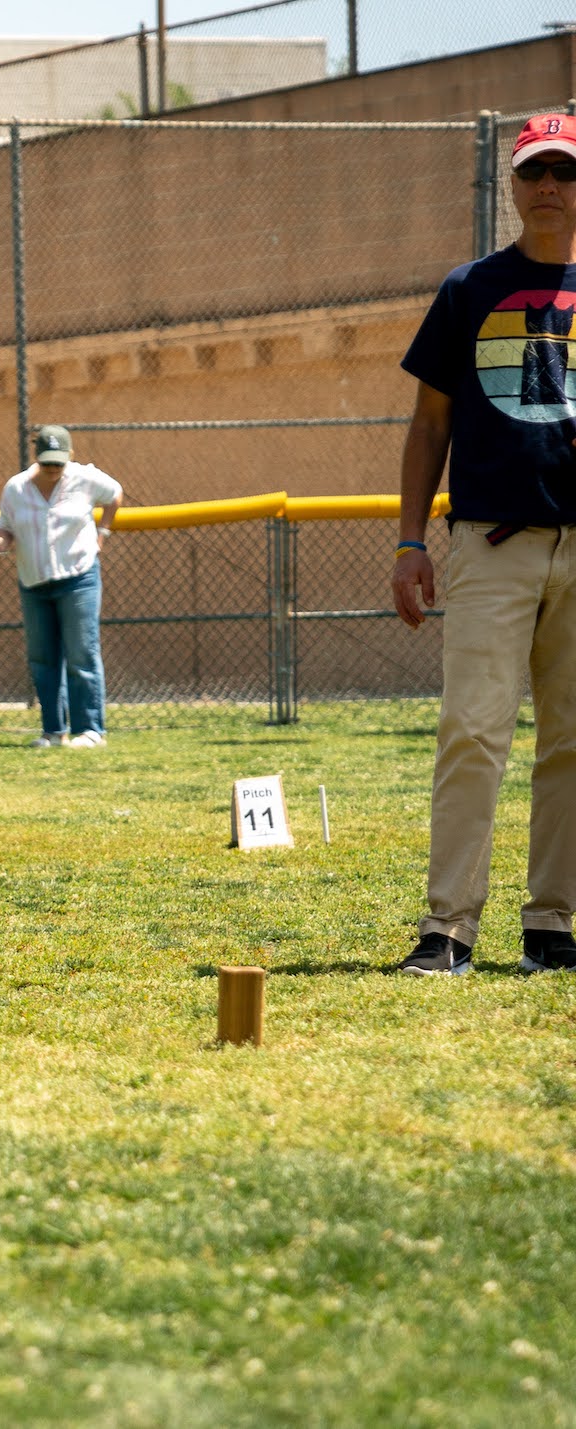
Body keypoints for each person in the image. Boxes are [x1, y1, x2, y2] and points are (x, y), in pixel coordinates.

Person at [390, 113, 576, 978]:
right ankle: (448, 929)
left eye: (564, 173)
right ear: (512, 185)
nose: (550, 187)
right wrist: (408, 541)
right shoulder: (469, 288)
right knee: (472, 730)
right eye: (535, 172)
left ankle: (552, 925)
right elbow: (429, 425)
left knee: (573, 741)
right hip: (489, 541)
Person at [0, 424, 123, 748]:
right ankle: (53, 731)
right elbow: (5, 527)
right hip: (33, 583)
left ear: (70, 456)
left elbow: (115, 495)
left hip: (79, 577)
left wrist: (103, 533)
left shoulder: (85, 478)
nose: (53, 469)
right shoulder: (15, 488)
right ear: (36, 458)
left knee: (81, 654)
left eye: (58, 462)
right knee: (43, 658)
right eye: (47, 462)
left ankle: (90, 730)